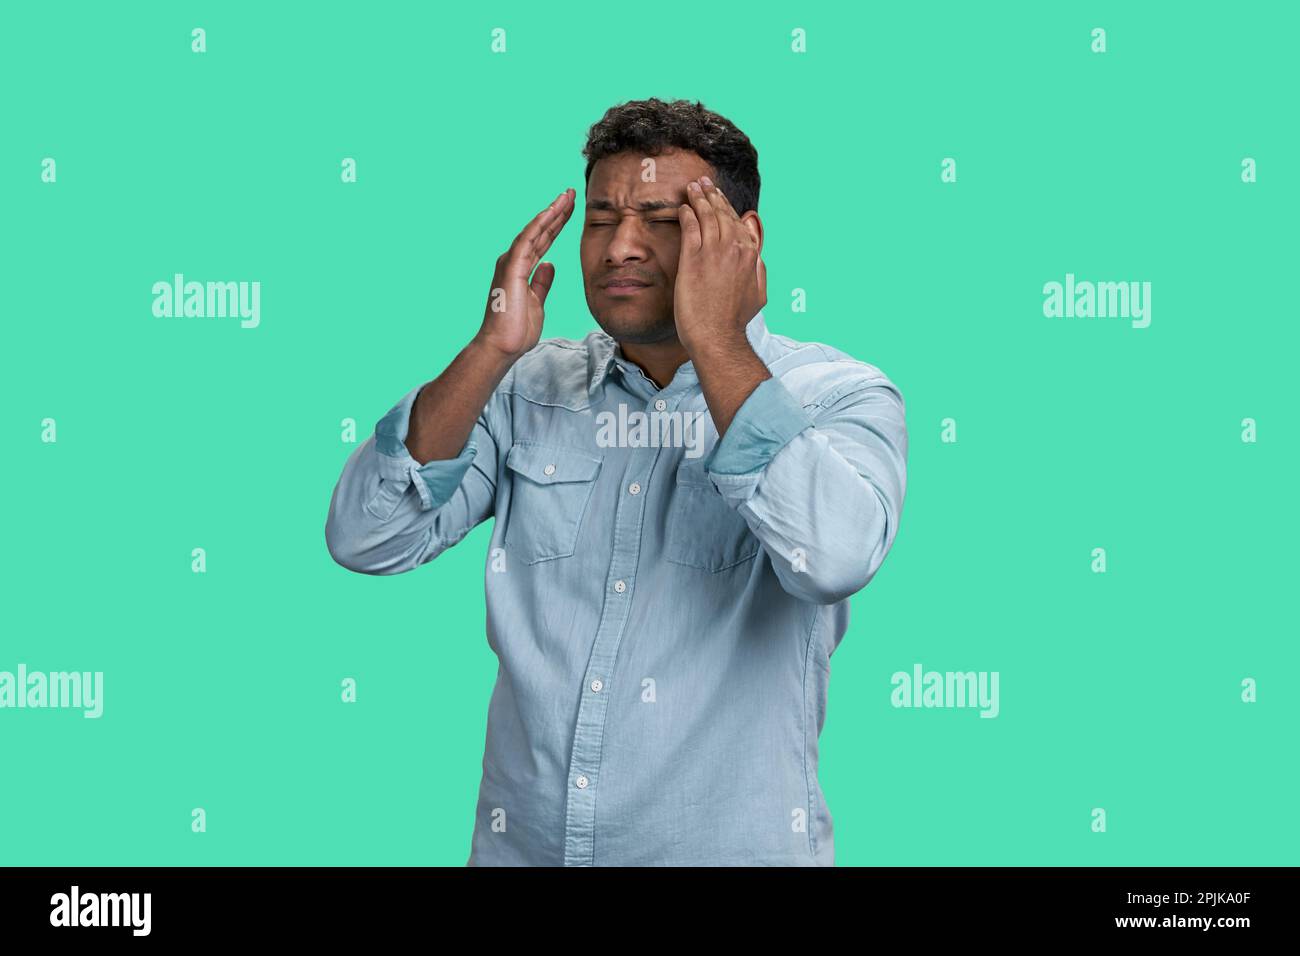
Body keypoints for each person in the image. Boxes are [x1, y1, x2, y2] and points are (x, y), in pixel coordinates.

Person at [324, 97, 908, 866]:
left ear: (743, 239)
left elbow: (834, 558)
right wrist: (488, 353)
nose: (620, 247)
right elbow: (368, 537)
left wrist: (719, 340)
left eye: (663, 219)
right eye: (601, 219)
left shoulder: (835, 395)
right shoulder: (527, 387)